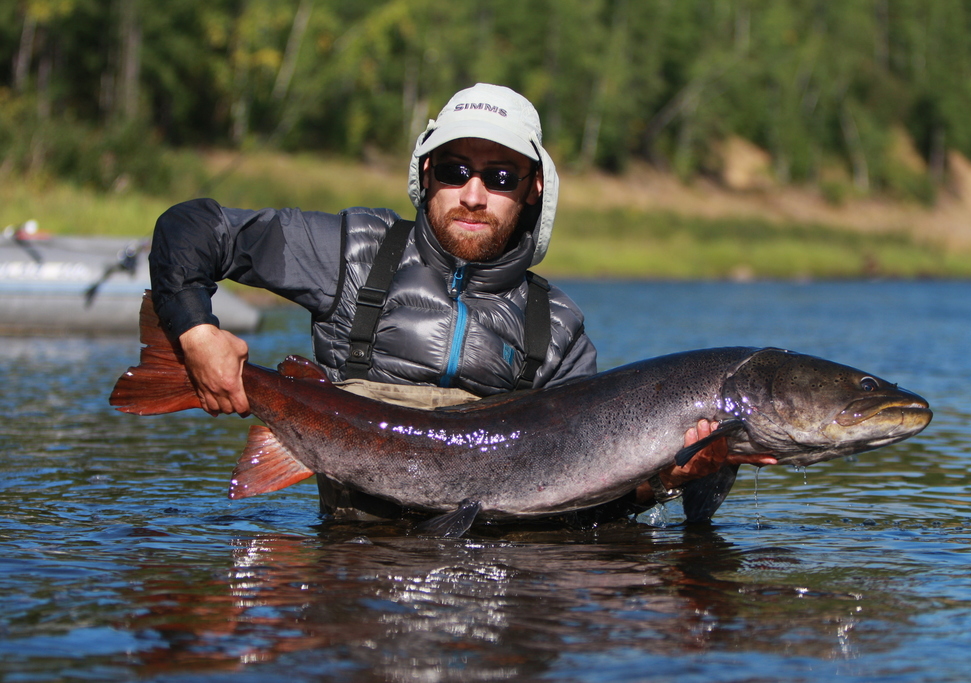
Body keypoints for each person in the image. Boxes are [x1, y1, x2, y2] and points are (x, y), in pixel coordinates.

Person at [148, 83, 775, 524]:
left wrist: (665, 479)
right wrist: (196, 331)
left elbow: (584, 501)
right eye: (454, 169)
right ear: (425, 175)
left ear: (532, 190)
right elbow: (192, 228)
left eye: (500, 176)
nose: (473, 194)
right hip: (348, 572)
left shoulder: (555, 330)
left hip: (494, 582)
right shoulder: (352, 252)